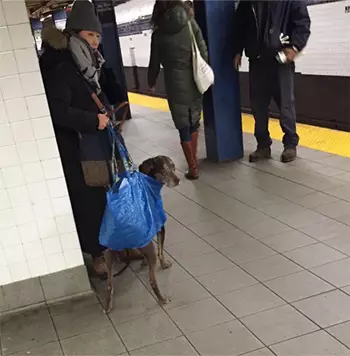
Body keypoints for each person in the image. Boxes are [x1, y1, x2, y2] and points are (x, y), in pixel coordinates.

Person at [39, 0, 124, 275]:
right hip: (77, 147)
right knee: (89, 199)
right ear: (75, 33)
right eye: (90, 35)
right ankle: (97, 256)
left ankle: (109, 245)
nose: (96, 41)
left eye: (98, 35)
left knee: (102, 193)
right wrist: (92, 120)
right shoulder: (64, 65)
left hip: (92, 142)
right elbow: (58, 110)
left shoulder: (86, 61)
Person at [233, 0, 311, 163]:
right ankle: (263, 146)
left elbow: (302, 23)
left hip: (280, 61)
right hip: (257, 60)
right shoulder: (248, 2)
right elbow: (239, 25)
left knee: (285, 105)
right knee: (258, 106)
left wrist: (294, 46)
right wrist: (237, 50)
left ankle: (290, 144)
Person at [148, 0, 208, 180]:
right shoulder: (191, 23)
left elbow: (154, 63)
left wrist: (151, 81)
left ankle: (193, 168)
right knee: (194, 121)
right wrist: (202, 69)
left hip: (174, 82)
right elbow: (203, 50)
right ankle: (194, 163)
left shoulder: (158, 34)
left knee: (183, 125)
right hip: (194, 78)